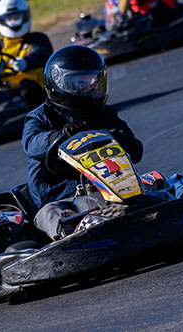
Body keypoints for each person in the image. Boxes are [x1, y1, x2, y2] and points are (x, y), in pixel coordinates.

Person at [21, 45, 143, 239]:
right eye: (83, 82)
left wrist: (119, 137)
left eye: (95, 81)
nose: (92, 87)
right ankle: (70, 233)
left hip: (105, 189)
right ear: (60, 83)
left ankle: (121, 214)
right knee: (51, 213)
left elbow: (136, 151)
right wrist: (57, 137)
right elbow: (31, 144)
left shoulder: (104, 114)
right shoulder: (41, 116)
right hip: (60, 197)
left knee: (151, 181)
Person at [0, 0, 53, 105]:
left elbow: (40, 55)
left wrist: (25, 63)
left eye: (16, 17)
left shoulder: (38, 39)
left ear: (25, 16)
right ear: (1, 20)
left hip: (35, 89)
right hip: (5, 90)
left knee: (27, 92)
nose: (13, 21)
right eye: (9, 18)